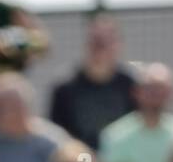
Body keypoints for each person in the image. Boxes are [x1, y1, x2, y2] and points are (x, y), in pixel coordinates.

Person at [48, 14, 136, 149]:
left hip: (120, 160)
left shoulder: (132, 84)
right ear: (87, 44)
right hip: (82, 159)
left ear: (118, 45)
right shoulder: (65, 86)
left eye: (106, 43)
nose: (101, 49)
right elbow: (57, 134)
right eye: (96, 42)